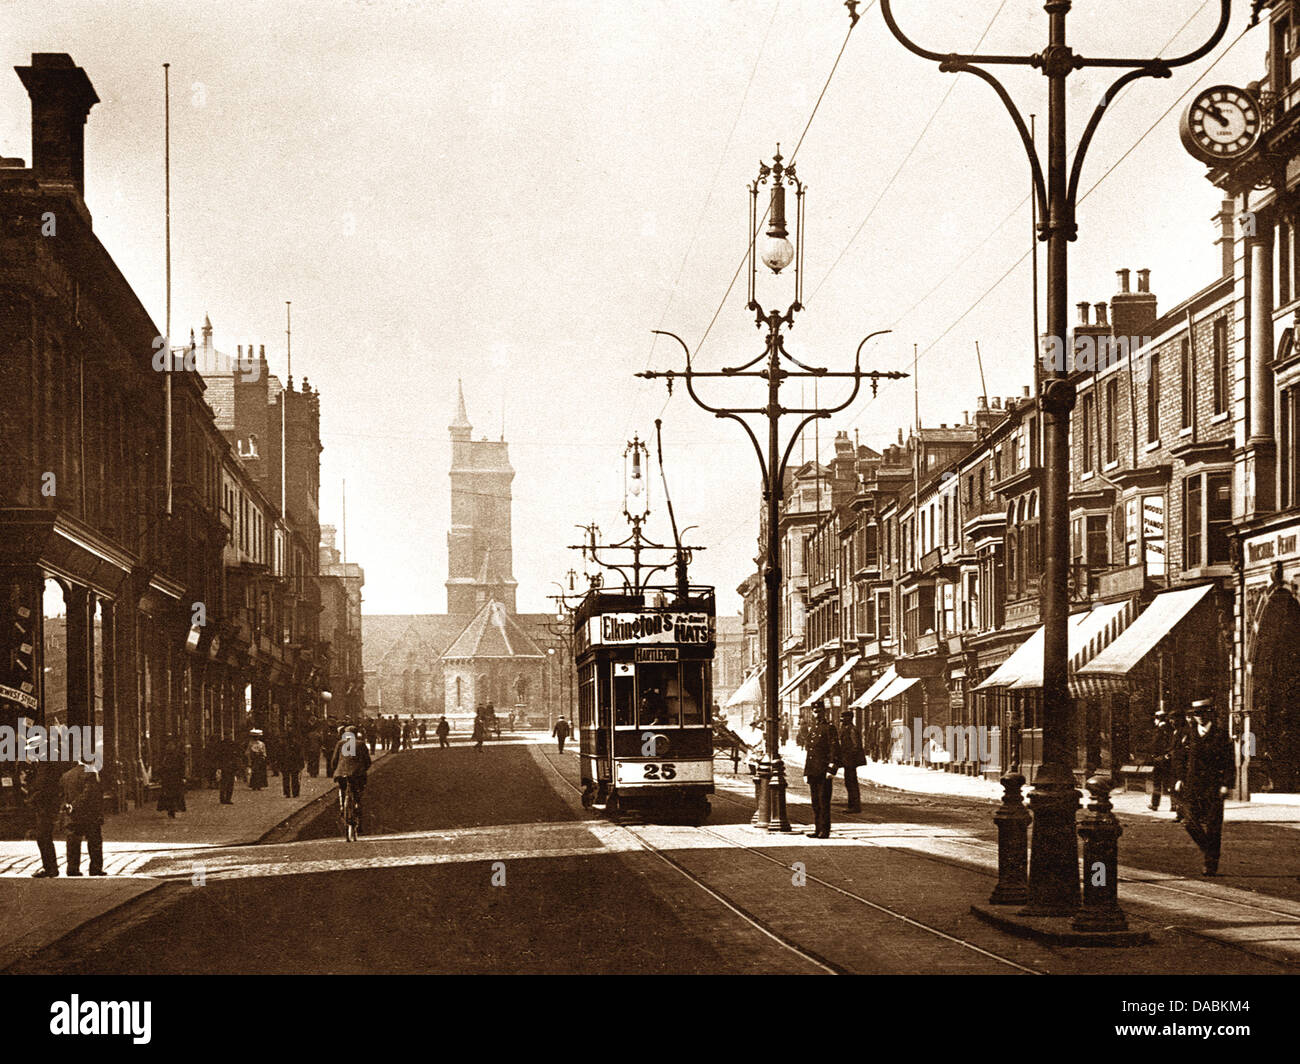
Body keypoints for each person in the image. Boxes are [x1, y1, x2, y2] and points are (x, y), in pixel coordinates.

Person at [1176, 698, 1234, 876]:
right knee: (1188, 821)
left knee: (1213, 826)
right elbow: (1180, 760)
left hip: (1214, 787)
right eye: (1196, 715)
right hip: (1193, 786)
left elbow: (1229, 762)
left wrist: (1226, 784)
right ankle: (1210, 850)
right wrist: (1179, 779)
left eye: (1202, 714)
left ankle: (1210, 864)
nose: (1199, 718)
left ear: (1210, 714)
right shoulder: (1187, 734)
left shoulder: (1221, 735)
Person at [61, 757, 105, 876]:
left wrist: (68, 806)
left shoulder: (67, 775)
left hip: (72, 816)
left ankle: (72, 869)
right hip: (89, 814)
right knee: (94, 841)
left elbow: (63, 795)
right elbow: (88, 793)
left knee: (73, 842)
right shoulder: (90, 773)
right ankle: (95, 869)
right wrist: (74, 805)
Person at [803, 703, 841, 839]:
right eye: (814, 711)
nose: (817, 714)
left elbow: (834, 749)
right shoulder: (813, 729)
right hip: (813, 771)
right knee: (815, 802)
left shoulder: (829, 728)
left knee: (823, 802)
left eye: (819, 711)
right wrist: (806, 772)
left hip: (824, 771)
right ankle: (817, 828)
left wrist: (832, 768)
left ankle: (825, 830)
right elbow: (810, 752)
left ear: (824, 712)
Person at [330, 724, 372, 832]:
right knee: (357, 794)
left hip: (342, 773)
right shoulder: (361, 744)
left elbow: (334, 761)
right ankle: (357, 808)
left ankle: (342, 805)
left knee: (343, 789)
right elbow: (368, 761)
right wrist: (364, 769)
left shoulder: (340, 743)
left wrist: (336, 770)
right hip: (357, 774)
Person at [30, 758, 63, 877]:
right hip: (44, 807)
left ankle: (51, 868)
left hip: (45, 807)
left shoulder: (46, 765)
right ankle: (50, 867)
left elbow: (42, 787)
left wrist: (31, 799)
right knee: (43, 837)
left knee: (43, 836)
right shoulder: (42, 765)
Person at [837, 711, 865, 814]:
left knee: (851, 783)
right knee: (849, 783)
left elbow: (856, 746)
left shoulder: (852, 730)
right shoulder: (846, 729)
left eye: (843, 718)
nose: (841, 720)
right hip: (848, 761)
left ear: (849, 718)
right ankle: (852, 805)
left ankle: (854, 806)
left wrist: (848, 757)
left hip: (850, 761)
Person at [1149, 708, 1176, 813]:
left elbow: (1160, 745)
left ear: (1158, 719)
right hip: (1163, 759)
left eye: (1156, 718)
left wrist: (1162, 755)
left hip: (1161, 759)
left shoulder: (1161, 730)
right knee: (1169, 782)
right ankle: (1173, 805)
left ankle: (1155, 804)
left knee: (1158, 783)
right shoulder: (1169, 729)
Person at [156, 735, 187, 818]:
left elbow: (181, 766)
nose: (169, 746)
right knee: (170, 795)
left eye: (171, 744)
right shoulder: (165, 756)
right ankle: (171, 809)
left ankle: (173, 809)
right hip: (169, 778)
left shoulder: (176, 755)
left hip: (174, 778)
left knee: (173, 795)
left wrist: (182, 776)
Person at [281, 722, 305, 798]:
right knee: (294, 778)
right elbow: (300, 755)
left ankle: (287, 793)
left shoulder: (283, 744)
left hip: (287, 763)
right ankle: (295, 793)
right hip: (293, 763)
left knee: (286, 778)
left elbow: (279, 754)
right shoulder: (296, 744)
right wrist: (301, 764)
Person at [216, 734, 241, 804]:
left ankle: (222, 798)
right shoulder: (233, 744)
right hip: (230, 766)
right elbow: (237, 755)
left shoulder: (221, 744)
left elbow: (218, 755)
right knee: (230, 783)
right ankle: (228, 798)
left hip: (224, 766)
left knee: (224, 783)